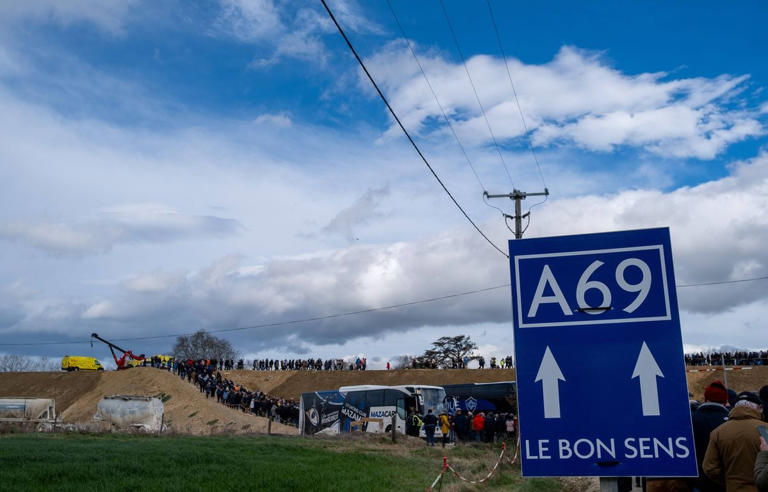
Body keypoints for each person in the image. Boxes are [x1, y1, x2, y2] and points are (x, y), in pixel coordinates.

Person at [703, 391, 765, 491]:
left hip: (733, 487)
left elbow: (709, 467)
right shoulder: (765, 429)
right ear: (759, 408)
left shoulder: (718, 432)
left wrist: (730, 479)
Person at [690, 381, 730, 492]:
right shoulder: (731, 421)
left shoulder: (692, 420)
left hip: (699, 481)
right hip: (725, 481)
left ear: (706, 399)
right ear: (725, 401)